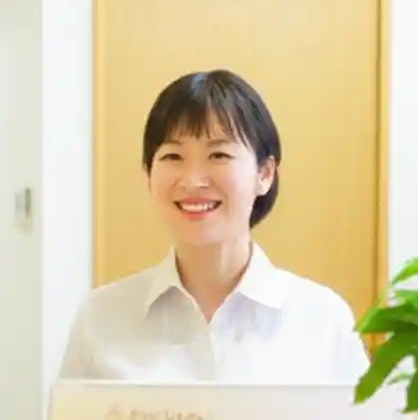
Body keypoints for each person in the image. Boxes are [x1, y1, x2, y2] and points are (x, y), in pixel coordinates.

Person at [59, 69, 369, 384]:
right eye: (172, 156)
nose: (192, 180)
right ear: (148, 173)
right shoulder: (101, 317)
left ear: (264, 174)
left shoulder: (323, 318)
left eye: (218, 155)